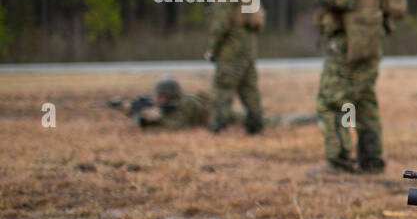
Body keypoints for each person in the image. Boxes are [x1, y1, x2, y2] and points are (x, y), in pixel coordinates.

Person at [312, 0, 386, 174]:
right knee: (364, 102)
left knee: (331, 101)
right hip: (364, 45)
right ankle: (372, 160)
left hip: (347, 47)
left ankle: (339, 162)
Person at [204, 0, 265, 134]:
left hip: (232, 45)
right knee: (249, 87)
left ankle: (217, 126)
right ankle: (256, 125)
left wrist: (213, 49)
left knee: (223, 86)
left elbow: (220, 26)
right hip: (249, 45)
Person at [109, 77, 314, 130]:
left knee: (277, 122)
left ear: (171, 95)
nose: (159, 101)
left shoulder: (186, 105)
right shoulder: (177, 104)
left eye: (162, 97)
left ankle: (315, 117)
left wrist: (147, 117)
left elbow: (176, 125)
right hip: (221, 114)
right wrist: (133, 112)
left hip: (231, 117)